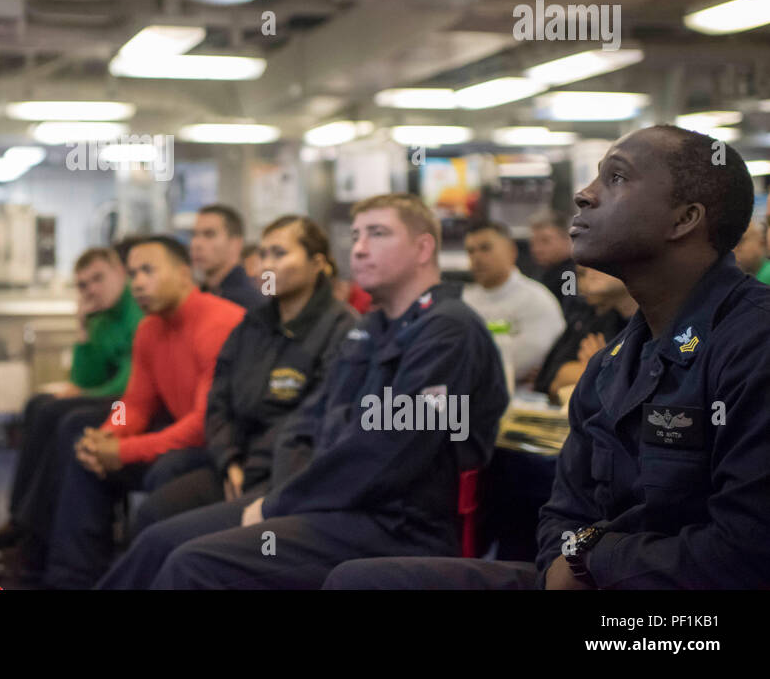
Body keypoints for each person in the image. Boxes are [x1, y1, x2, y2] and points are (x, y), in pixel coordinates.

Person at [325, 125, 770, 589]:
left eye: (616, 178)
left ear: (684, 219)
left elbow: (746, 553)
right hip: (585, 580)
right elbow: (561, 515)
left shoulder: (753, 343)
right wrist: (573, 558)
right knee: (362, 581)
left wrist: (590, 559)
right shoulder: (613, 362)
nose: (584, 195)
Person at [97, 193, 508, 589]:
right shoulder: (371, 328)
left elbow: (391, 450)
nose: (360, 249)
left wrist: (280, 504)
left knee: (194, 562)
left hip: (397, 524)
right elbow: (308, 420)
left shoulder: (448, 330)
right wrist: (282, 494)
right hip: (332, 504)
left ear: (423, 249)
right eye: (355, 236)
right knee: (160, 540)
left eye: (378, 234)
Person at [127, 215, 359, 535]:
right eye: (263, 254)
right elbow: (218, 401)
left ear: (317, 263)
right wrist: (229, 459)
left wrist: (258, 476)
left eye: (280, 253)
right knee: (154, 514)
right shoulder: (253, 325)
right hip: (237, 465)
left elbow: (313, 422)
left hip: (287, 477)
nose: (267, 264)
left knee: (176, 541)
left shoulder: (342, 329)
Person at [36, 236, 245, 589]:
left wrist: (124, 451)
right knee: (86, 456)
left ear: (183, 274)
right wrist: (107, 434)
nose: (138, 283)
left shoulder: (218, 323)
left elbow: (203, 424)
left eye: (148, 270)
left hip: (223, 448)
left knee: (165, 470)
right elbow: (134, 405)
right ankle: (70, 580)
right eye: (133, 273)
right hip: (185, 436)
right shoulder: (149, 329)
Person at [0, 247, 142, 561]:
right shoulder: (101, 317)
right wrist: (82, 327)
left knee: (60, 411)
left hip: (131, 405)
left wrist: (81, 394)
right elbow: (86, 376)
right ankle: (20, 518)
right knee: (38, 405)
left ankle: (31, 527)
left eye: (98, 278)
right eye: (82, 285)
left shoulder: (137, 310)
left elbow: (130, 382)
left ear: (120, 272)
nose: (92, 289)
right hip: (113, 398)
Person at [462, 220, 565, 394]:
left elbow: (520, 364)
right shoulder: (463, 302)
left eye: (485, 248)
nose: (477, 257)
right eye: (471, 251)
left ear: (511, 252)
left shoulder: (537, 301)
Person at [532, 266, 637, 403]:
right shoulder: (600, 317)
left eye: (598, 265)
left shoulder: (661, 325)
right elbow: (553, 381)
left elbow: (635, 390)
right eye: (581, 274)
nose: (586, 279)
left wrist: (598, 370)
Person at [191, 204, 266, 309]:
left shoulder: (251, 303)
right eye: (194, 235)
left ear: (236, 243)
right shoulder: (196, 296)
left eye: (209, 234)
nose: (196, 244)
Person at [528, 209, 582, 316]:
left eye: (545, 241)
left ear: (567, 239)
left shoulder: (569, 275)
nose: (537, 249)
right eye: (533, 242)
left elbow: (568, 312)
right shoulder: (542, 271)